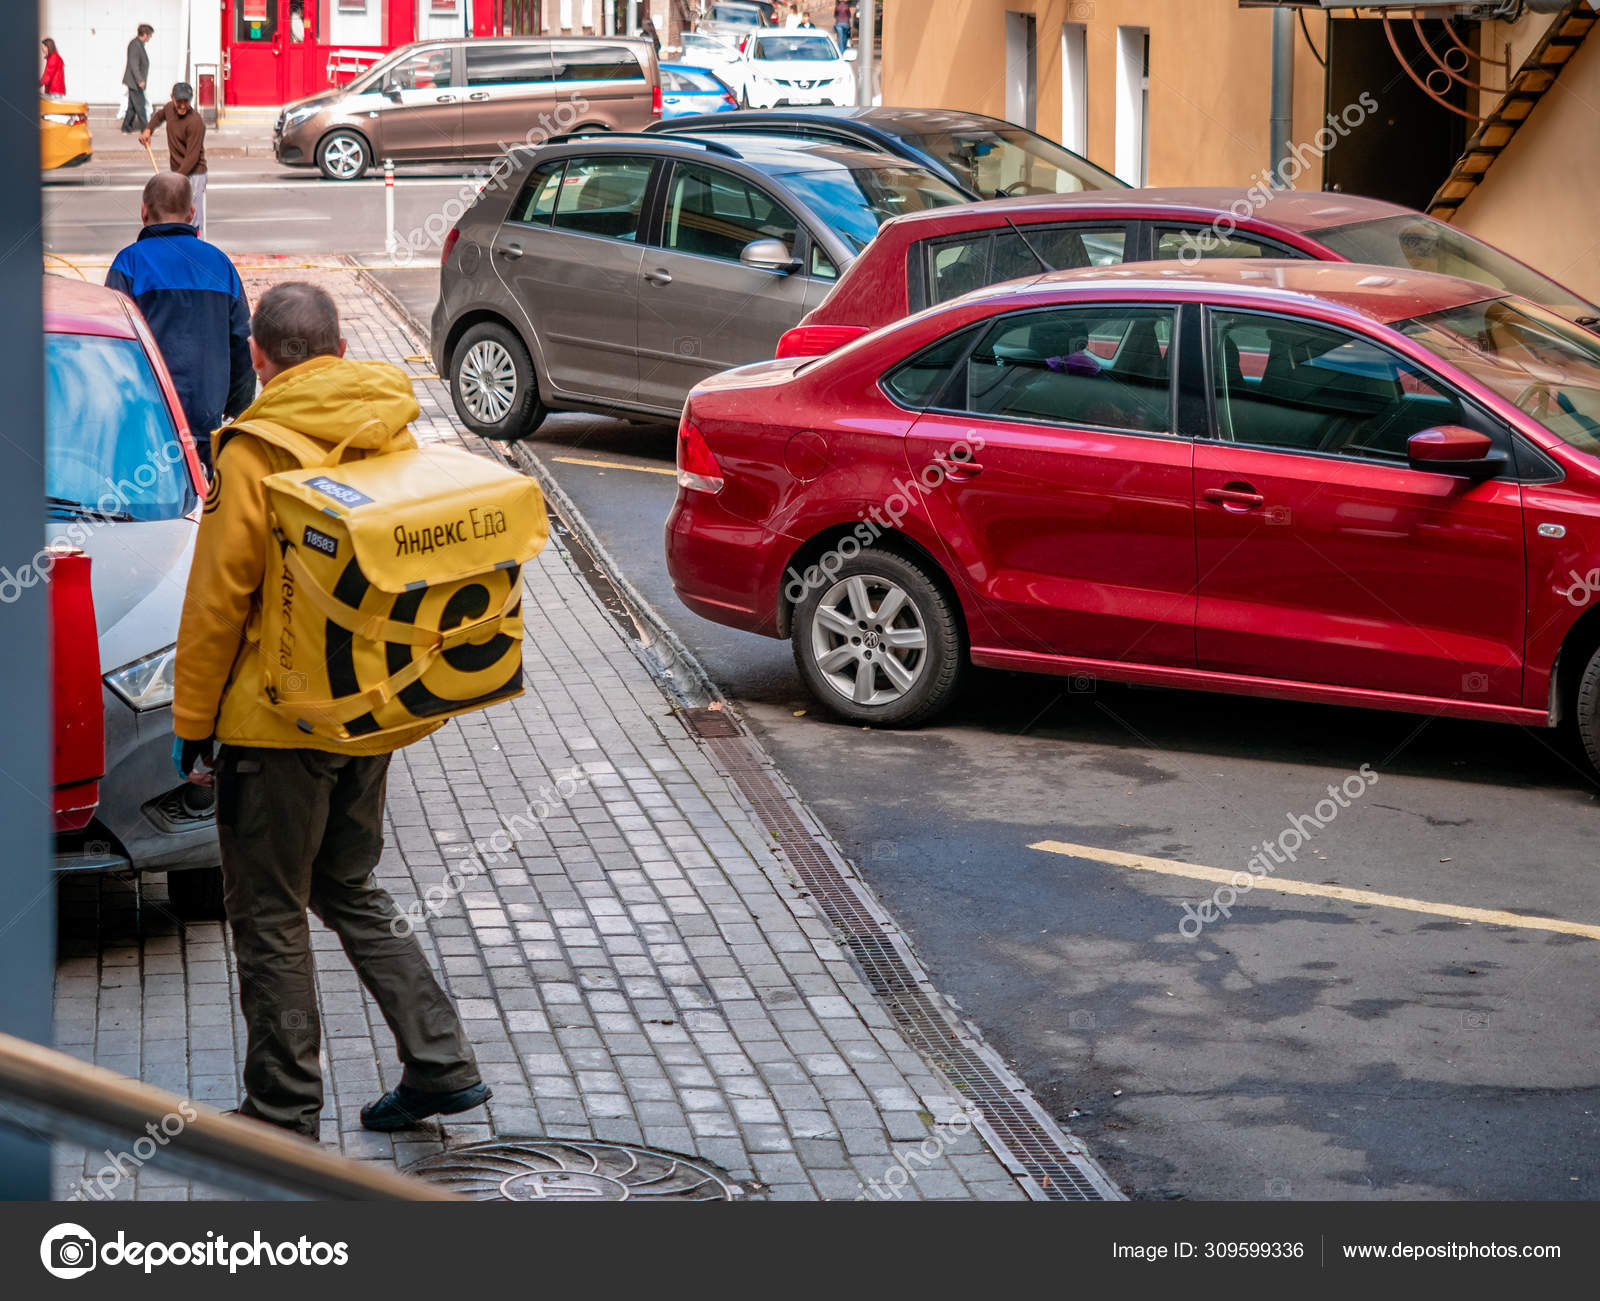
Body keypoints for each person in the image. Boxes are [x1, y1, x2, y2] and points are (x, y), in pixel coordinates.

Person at [171, 281, 490, 1140]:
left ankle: (282, 1108)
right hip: (370, 708)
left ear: (257, 358)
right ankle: (440, 1061)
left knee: (268, 908)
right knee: (346, 883)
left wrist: (191, 722)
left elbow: (217, 603)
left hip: (275, 727)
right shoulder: (388, 426)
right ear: (341, 351)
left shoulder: (253, 450)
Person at [104, 173, 253, 472]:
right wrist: (235, 405)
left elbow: (112, 345)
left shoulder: (129, 263)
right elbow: (242, 341)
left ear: (144, 211)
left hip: (147, 420)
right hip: (205, 420)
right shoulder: (220, 264)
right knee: (204, 494)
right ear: (191, 212)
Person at [139, 83, 208, 237]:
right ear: (172, 98)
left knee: (193, 216)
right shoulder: (169, 108)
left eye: (186, 101)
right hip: (178, 171)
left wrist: (174, 180)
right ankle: (177, 242)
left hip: (195, 172)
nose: (183, 105)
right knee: (176, 212)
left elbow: (192, 158)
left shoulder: (195, 122)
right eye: (179, 101)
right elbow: (159, 116)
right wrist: (148, 130)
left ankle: (197, 245)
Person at [122, 23, 152, 133]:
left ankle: (126, 127)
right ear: (145, 34)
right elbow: (134, 64)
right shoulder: (135, 45)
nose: (150, 38)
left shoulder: (139, 44)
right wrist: (140, 80)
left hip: (135, 81)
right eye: (150, 35)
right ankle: (145, 128)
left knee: (132, 107)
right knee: (140, 105)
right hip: (134, 82)